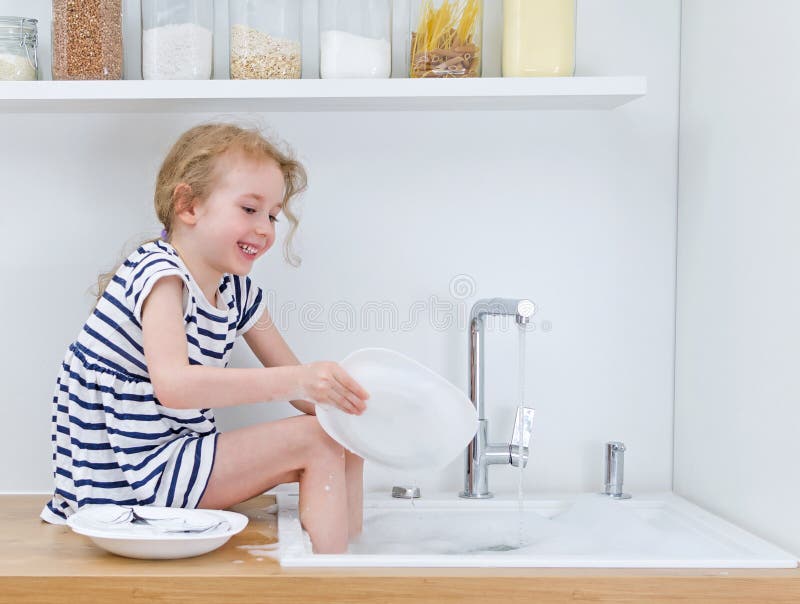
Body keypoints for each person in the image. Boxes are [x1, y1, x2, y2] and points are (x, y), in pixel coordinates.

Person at [40, 123, 370, 554]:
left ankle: (360, 559)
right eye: (250, 209)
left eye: (272, 215)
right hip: (126, 485)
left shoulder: (239, 292)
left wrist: (354, 404)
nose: (266, 229)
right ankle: (336, 581)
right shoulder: (159, 274)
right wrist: (302, 381)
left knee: (342, 432)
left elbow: (299, 386)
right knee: (319, 439)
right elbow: (175, 386)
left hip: (171, 463)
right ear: (188, 205)